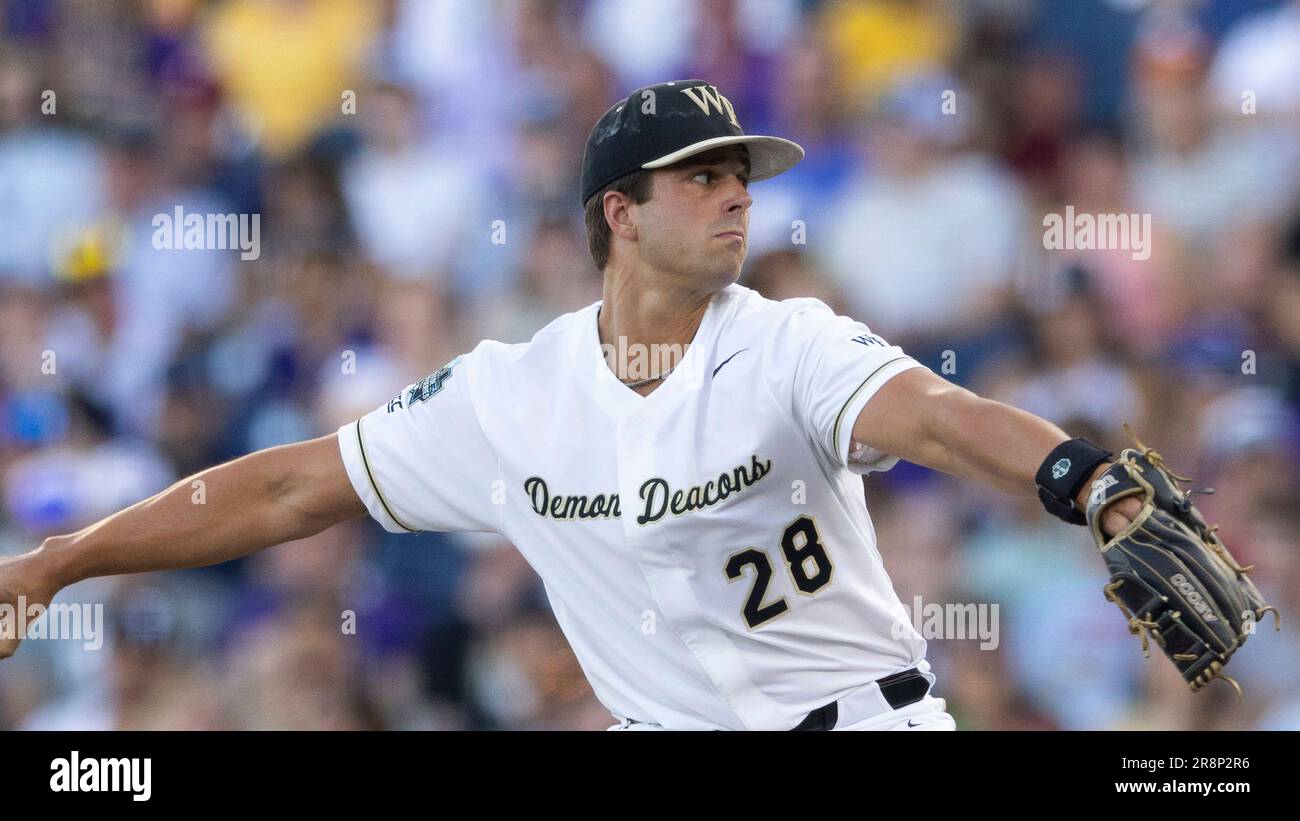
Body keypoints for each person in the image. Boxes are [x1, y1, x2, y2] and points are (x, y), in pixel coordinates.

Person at [0, 80, 1140, 731]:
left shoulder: (790, 339)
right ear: (620, 213)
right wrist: (62, 561)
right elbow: (289, 486)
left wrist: (1081, 475)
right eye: (702, 175)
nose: (738, 197)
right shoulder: (506, 395)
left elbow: (937, 415)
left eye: (741, 176)